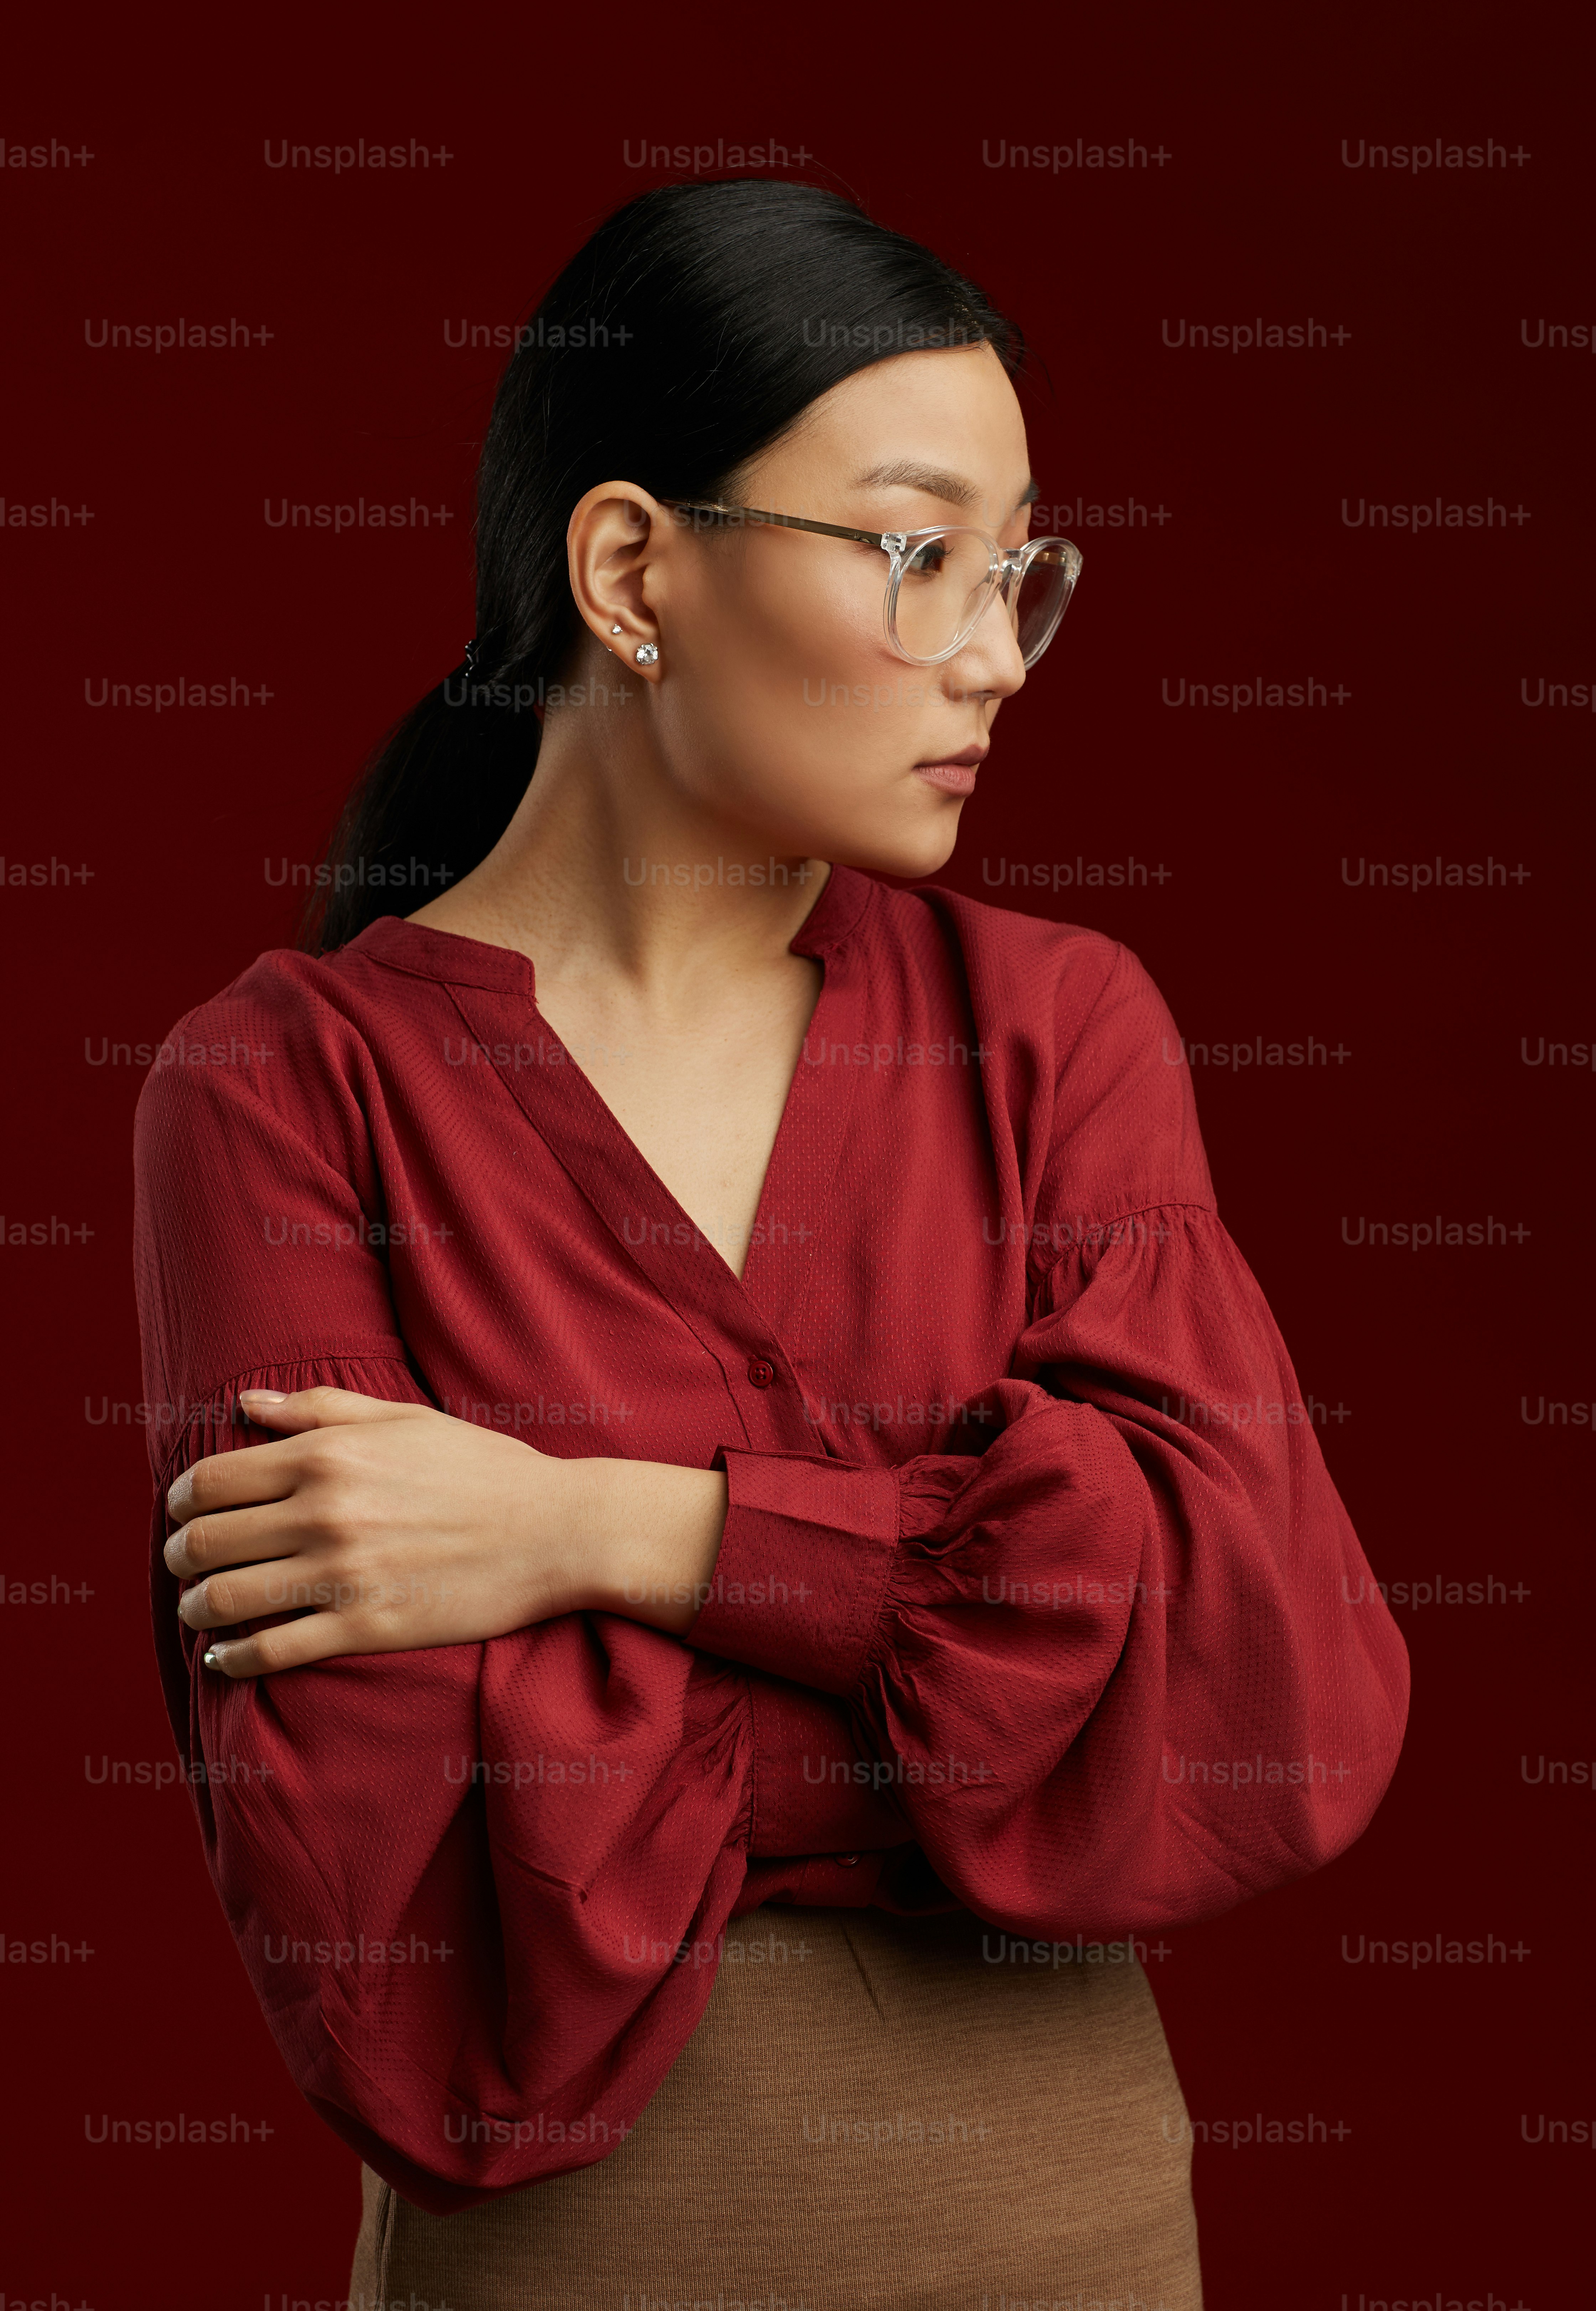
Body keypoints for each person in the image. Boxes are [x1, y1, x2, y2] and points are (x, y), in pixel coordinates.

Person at [133, 178, 1409, 2311]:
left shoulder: (1058, 1030)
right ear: (634, 568)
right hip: (578, 2252)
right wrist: (993, 1663)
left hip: (1080, 2227)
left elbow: (1250, 1704)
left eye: (1019, 574)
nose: (993, 657)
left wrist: (596, 1537)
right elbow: (386, 1914)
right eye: (917, 557)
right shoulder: (281, 1091)